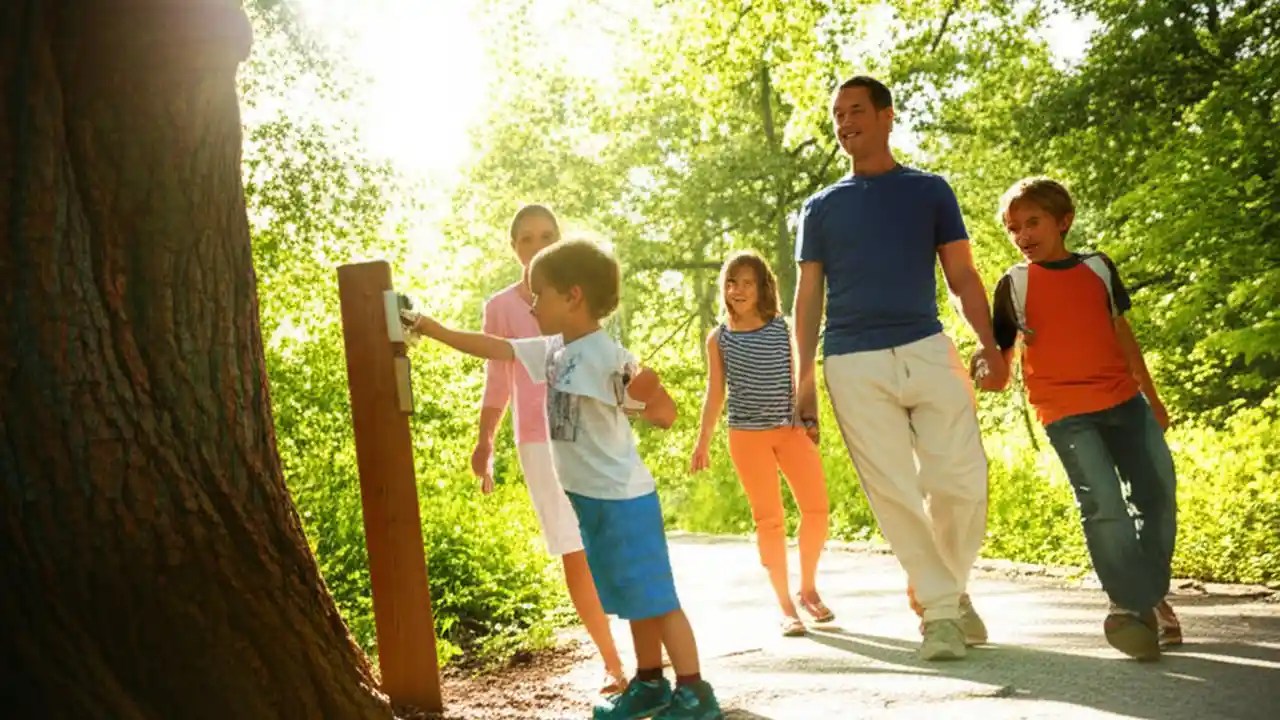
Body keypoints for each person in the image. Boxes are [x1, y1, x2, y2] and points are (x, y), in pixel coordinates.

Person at [405, 239, 723, 719]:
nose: (531, 304)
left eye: (540, 295)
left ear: (573, 296)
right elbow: (495, 347)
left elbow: (663, 415)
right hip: (591, 500)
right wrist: (429, 328)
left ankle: (697, 693)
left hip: (624, 500)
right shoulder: (554, 350)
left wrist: (650, 393)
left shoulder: (608, 356)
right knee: (632, 597)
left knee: (657, 598)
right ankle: (651, 682)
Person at [792, 75, 1000, 661]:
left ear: (887, 116)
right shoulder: (821, 207)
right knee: (895, 492)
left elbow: (961, 275)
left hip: (927, 346)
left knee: (960, 479)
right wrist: (802, 378)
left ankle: (949, 590)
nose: (844, 122)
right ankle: (941, 613)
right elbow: (808, 297)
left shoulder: (931, 191)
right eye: (836, 115)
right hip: (853, 360)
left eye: (855, 110)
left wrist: (990, 342)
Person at [984, 176, 1181, 660]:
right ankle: (1127, 606)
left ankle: (1149, 598)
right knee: (1105, 504)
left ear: (1063, 221)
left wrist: (1151, 398)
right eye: (1014, 228)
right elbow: (1001, 360)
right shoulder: (1015, 284)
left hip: (1123, 401)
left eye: (1033, 223)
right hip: (1065, 412)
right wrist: (985, 366)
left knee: (1158, 495)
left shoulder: (1099, 269)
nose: (1023, 235)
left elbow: (1122, 333)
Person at [471, 205, 623, 692]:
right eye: (527, 238)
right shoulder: (503, 307)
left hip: (592, 435)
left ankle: (645, 652)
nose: (537, 245)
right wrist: (484, 441)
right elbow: (498, 380)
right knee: (574, 551)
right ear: (514, 247)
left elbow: (610, 366)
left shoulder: (580, 295)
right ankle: (613, 663)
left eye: (547, 236)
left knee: (610, 541)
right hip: (539, 441)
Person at [690, 250, 832, 637]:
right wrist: (702, 441)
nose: (737, 290)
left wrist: (810, 419)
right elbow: (715, 392)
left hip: (790, 431)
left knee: (817, 510)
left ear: (762, 287)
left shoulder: (781, 328)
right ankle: (786, 606)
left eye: (747, 283)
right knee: (769, 520)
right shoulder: (719, 339)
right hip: (746, 437)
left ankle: (808, 589)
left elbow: (802, 377)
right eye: (732, 282)